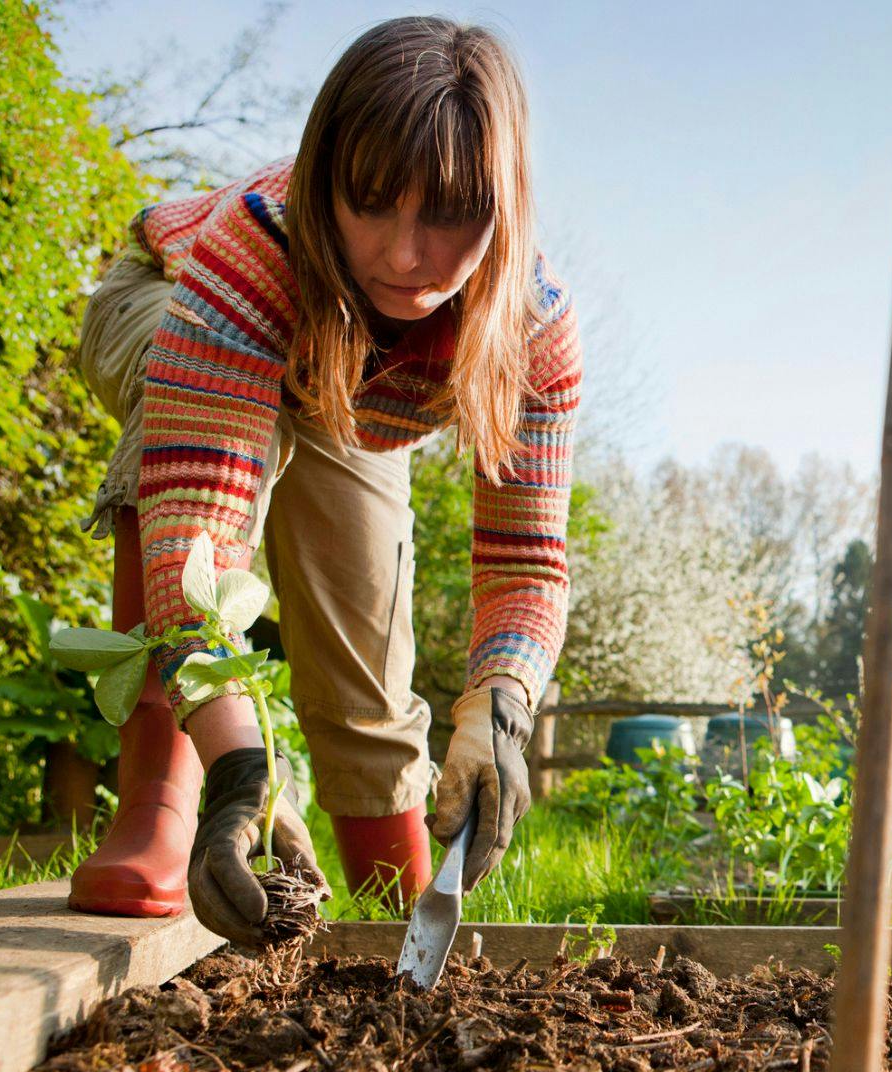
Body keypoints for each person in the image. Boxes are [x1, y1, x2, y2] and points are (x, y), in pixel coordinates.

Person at [64, 15, 581, 947]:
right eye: (373, 202)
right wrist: (239, 771)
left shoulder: (532, 330)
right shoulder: (249, 251)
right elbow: (195, 529)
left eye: (450, 213)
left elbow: (525, 568)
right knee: (211, 451)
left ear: (503, 204)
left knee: (366, 605)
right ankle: (161, 799)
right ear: (325, 174)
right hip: (166, 302)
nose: (404, 255)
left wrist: (499, 709)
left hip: (344, 394)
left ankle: (397, 900)